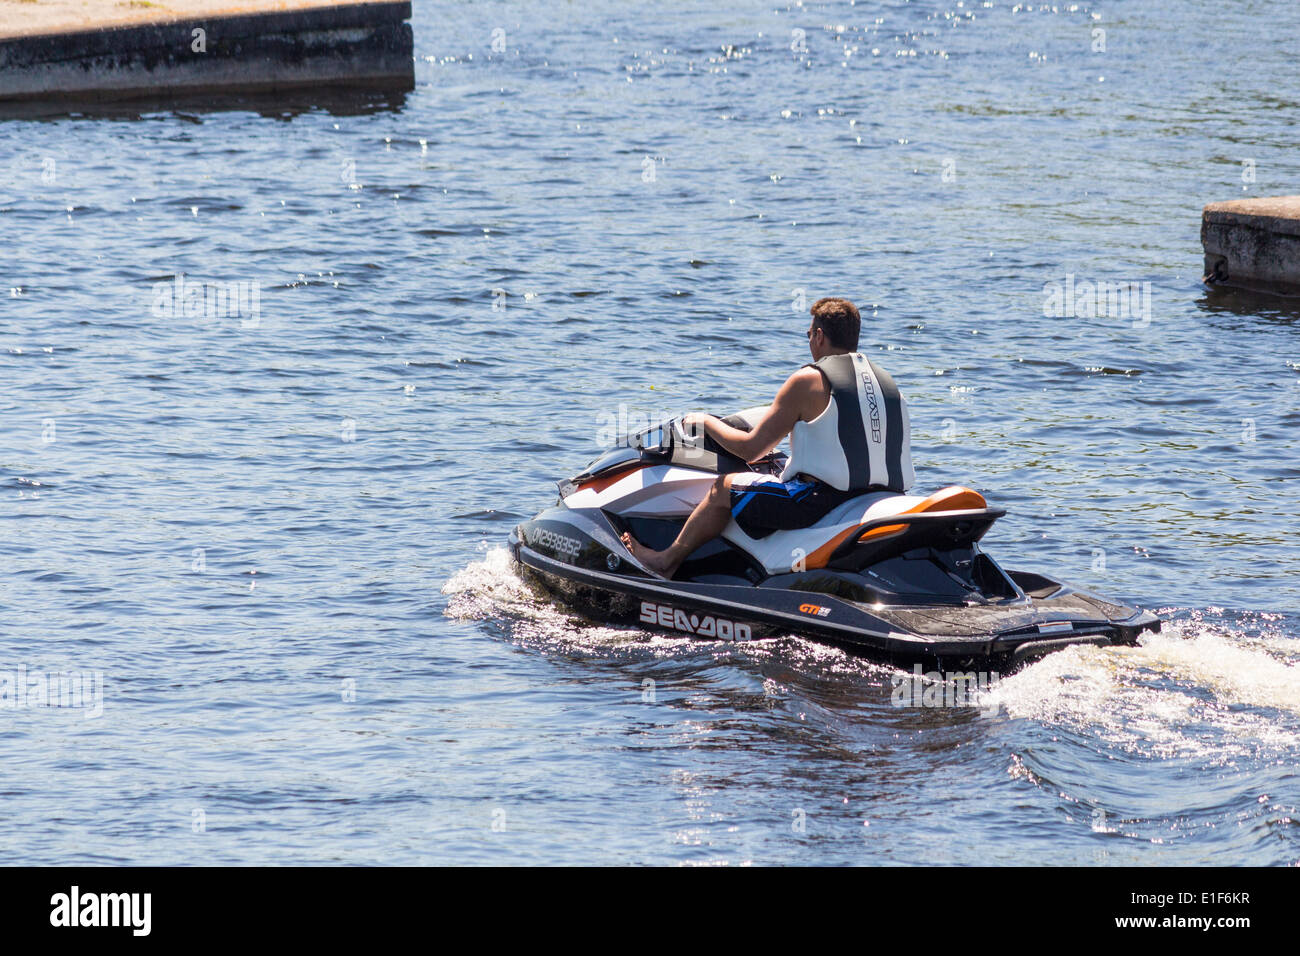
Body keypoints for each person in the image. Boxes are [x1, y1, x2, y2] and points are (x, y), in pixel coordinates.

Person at [620, 297, 913, 578]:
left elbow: (751, 451)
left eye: (809, 333)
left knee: (723, 488)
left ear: (820, 336)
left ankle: (665, 561)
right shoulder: (886, 383)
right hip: (879, 497)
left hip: (818, 502)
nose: (809, 340)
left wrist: (706, 422)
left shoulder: (809, 380)